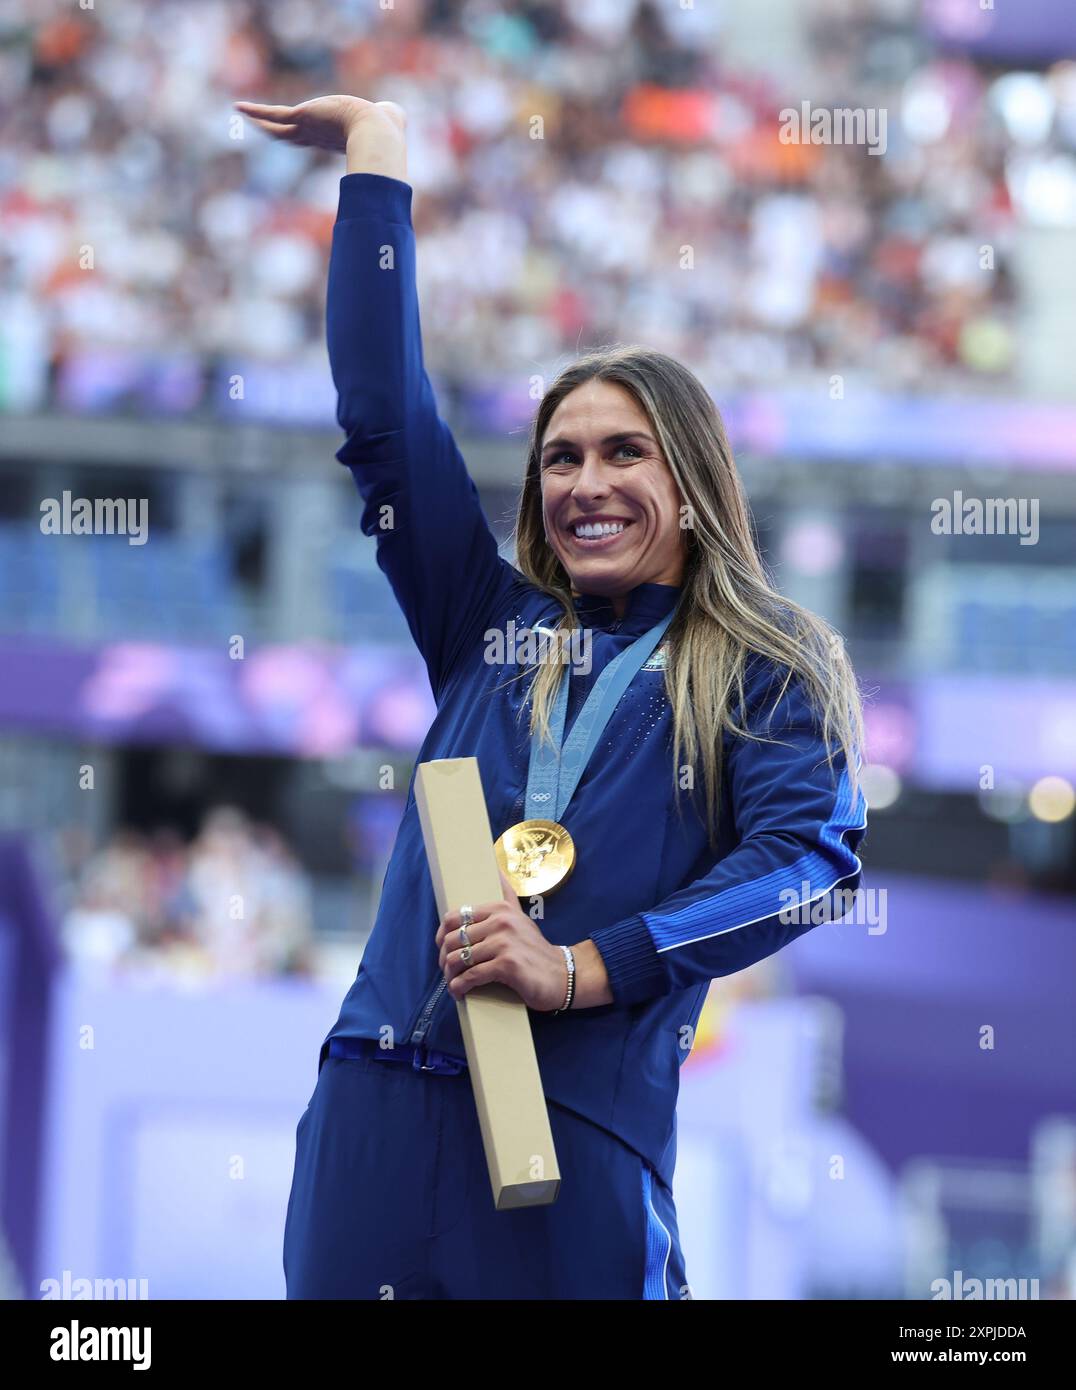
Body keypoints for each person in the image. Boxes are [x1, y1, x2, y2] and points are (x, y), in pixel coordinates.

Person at [236, 94, 869, 1301]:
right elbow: (381, 420)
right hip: (377, 1099)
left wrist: (581, 966)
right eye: (561, 455)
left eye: (624, 451)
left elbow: (810, 862)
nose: (585, 480)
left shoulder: (763, 661)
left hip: (577, 1127)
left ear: (691, 482)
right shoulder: (488, 623)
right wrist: (377, 158)